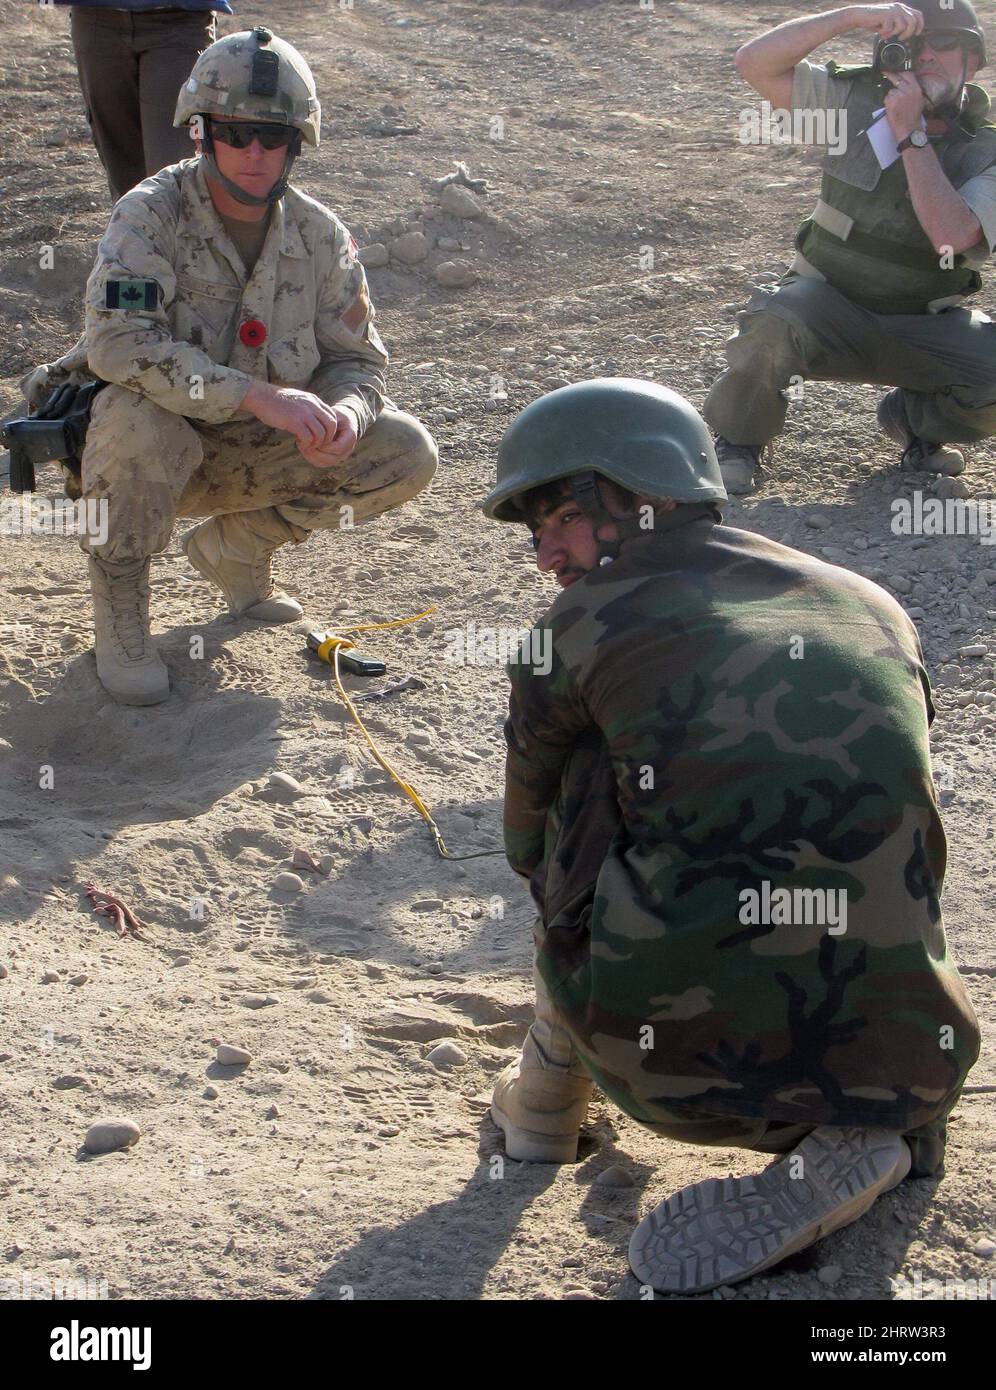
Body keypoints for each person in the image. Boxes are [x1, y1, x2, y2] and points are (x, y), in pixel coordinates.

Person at [481, 377, 979, 1294]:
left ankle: (545, 1105)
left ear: (638, 494)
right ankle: (895, 1124)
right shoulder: (866, 600)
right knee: (852, 806)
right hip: (922, 1049)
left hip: (680, 1066)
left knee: (581, 781)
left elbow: (526, 848)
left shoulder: (579, 624)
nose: (544, 551)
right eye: (532, 531)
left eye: (556, 515)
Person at [21, 26, 437, 707]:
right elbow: (120, 344)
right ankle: (122, 596)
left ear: (296, 146)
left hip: (251, 455)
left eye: (272, 138)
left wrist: (346, 415)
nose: (253, 153)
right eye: (236, 133)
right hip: (149, 458)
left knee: (404, 450)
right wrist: (261, 397)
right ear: (201, 132)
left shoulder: (320, 237)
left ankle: (238, 549)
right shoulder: (150, 215)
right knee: (135, 413)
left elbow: (356, 360)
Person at [705, 2, 996, 495]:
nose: (926, 56)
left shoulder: (986, 151)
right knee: (772, 319)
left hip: (920, 323)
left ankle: (915, 422)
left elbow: (953, 236)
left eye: (943, 44)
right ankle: (739, 439)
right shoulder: (854, 104)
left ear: (972, 57)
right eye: (912, 46)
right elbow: (754, 63)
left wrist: (911, 135)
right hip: (822, 309)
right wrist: (851, 17)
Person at [54, 0, 233, 203]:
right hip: (97, 17)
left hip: (180, 19)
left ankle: (179, 232)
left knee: (173, 172)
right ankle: (136, 232)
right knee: (123, 175)